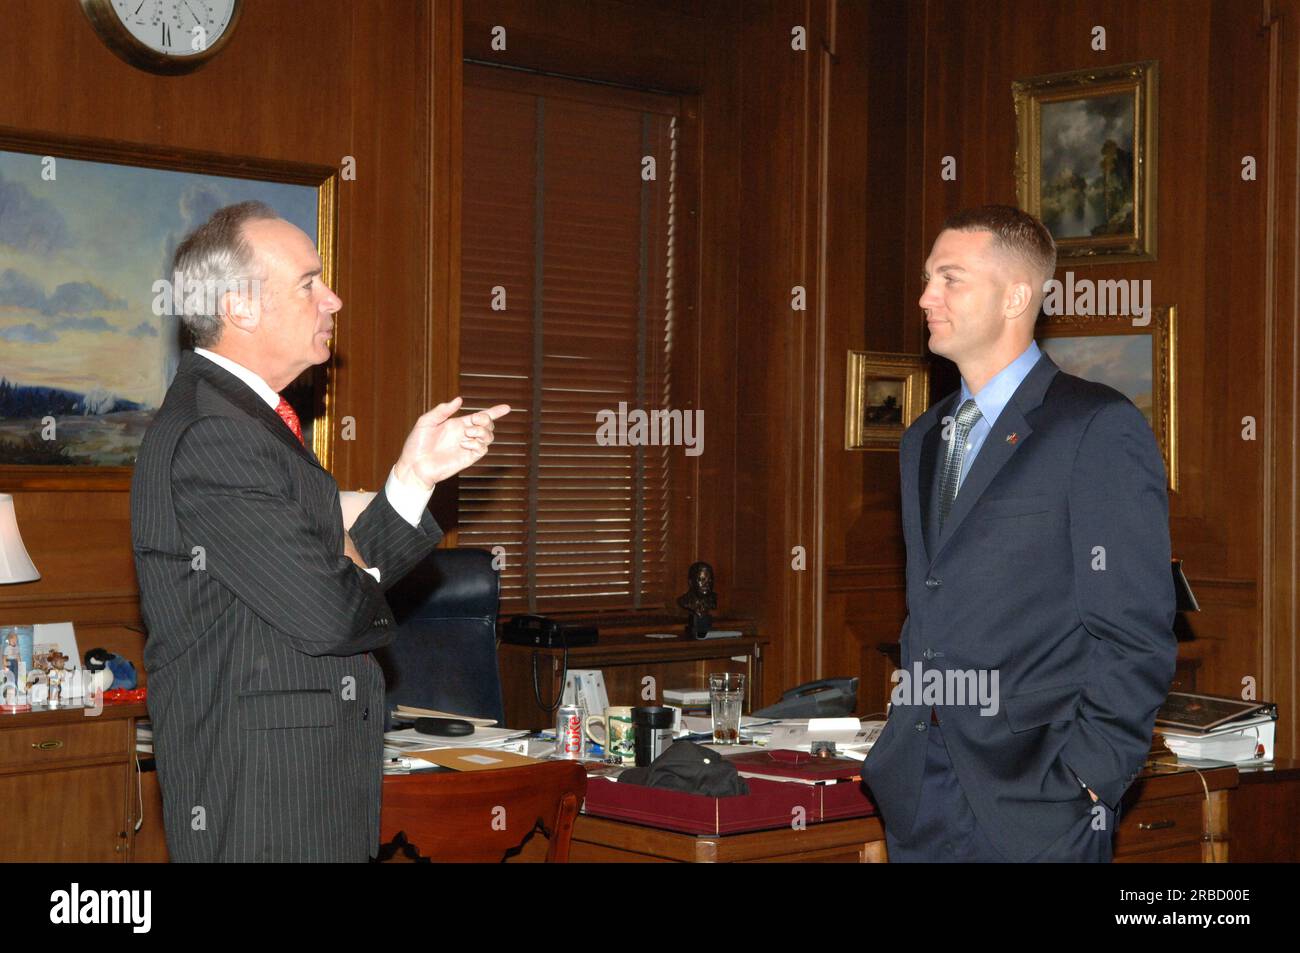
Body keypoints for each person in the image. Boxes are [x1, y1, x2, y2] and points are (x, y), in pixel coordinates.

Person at [131, 201, 509, 862]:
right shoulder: (215, 433)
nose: (332, 299)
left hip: (302, 799)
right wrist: (341, 567)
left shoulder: (247, 421)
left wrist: (414, 476)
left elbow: (332, 586)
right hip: (265, 809)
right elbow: (332, 615)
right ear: (240, 307)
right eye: (309, 282)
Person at [859, 204, 1176, 862]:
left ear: (1018, 295)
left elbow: (1136, 632)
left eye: (950, 278)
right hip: (923, 787)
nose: (925, 297)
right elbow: (933, 605)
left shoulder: (1095, 427)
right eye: (926, 278)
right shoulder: (922, 438)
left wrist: (1088, 780)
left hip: (1041, 801)